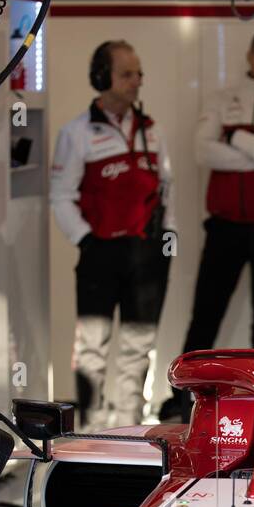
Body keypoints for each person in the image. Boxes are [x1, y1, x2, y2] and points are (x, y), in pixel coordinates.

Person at [160, 30, 254, 423]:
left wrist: (237, 138)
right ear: (250, 56)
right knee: (205, 314)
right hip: (225, 225)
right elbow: (202, 150)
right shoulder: (221, 100)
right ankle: (180, 398)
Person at [50, 39, 174, 429]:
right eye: (126, 74)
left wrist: (165, 240)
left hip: (147, 254)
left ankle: (132, 431)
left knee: (139, 348)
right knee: (92, 348)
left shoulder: (151, 131)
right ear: (102, 78)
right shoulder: (76, 133)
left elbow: (166, 188)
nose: (136, 81)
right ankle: (90, 432)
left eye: (138, 73)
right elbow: (61, 196)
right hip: (100, 254)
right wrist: (87, 241)